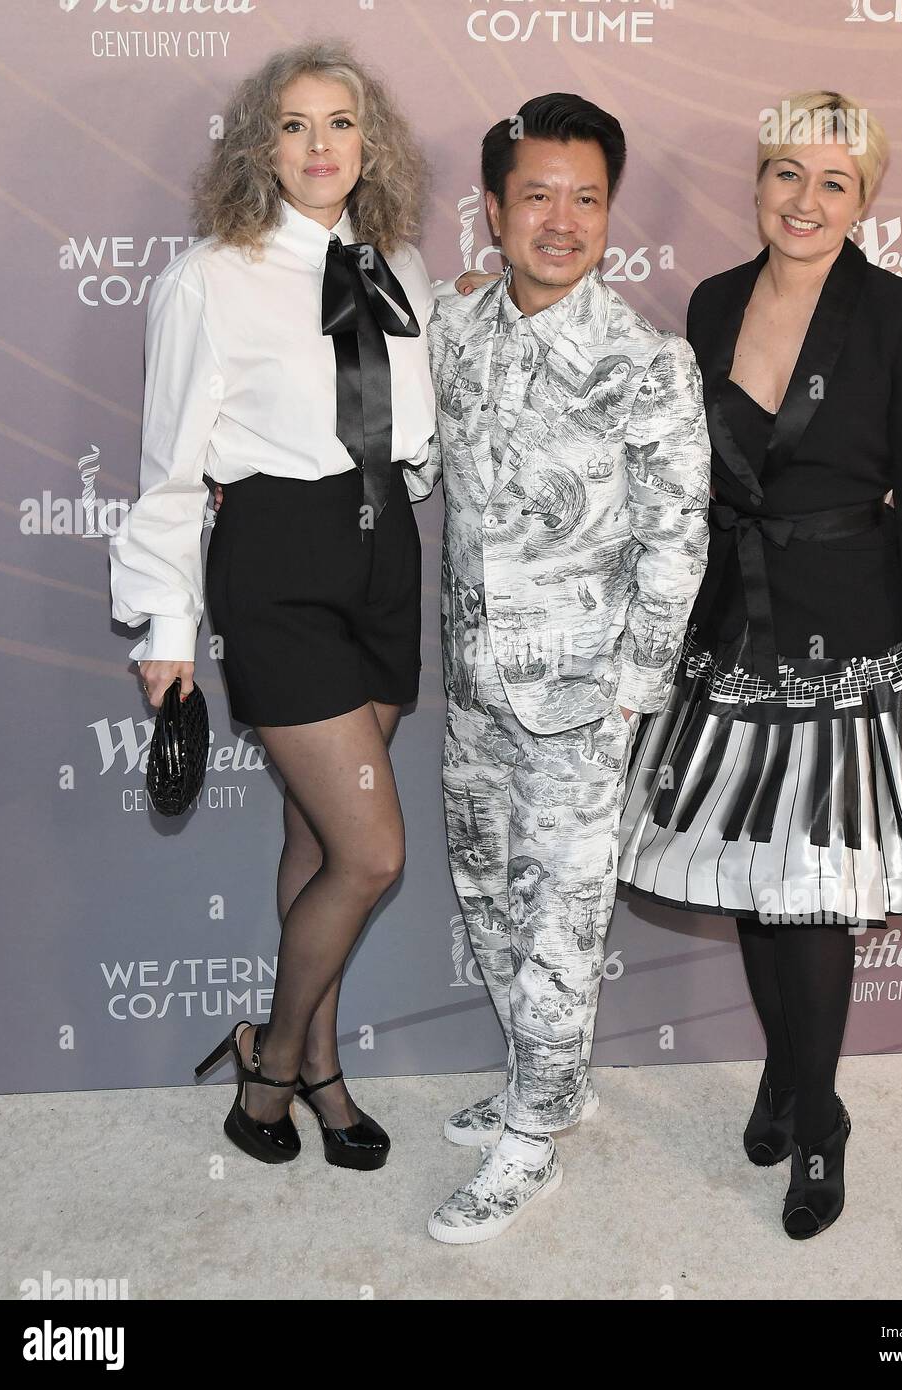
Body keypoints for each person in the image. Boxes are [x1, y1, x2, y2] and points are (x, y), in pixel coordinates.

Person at [618, 91, 902, 1239]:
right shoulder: (705, 304)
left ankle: (822, 1115)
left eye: (832, 182)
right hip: (729, 628)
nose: (804, 200)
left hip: (847, 632)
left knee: (811, 899)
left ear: (864, 200)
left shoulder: (899, 315)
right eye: (784, 173)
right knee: (753, 870)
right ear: (757, 184)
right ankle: (786, 1075)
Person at [111, 40, 472, 1170]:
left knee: (315, 833)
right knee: (370, 855)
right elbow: (169, 465)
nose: (320, 146)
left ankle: (317, 1068)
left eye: (341, 124)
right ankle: (270, 1057)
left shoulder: (399, 265)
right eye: (294, 125)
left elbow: (410, 430)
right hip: (279, 561)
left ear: (372, 145)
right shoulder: (207, 276)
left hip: (383, 560)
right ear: (258, 146)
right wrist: (167, 628)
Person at [411, 93, 711, 1244]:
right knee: (485, 892)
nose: (561, 220)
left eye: (585, 198)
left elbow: (676, 542)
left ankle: (531, 1133)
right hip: (475, 686)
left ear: (607, 214)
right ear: (490, 208)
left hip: (583, 701)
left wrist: (628, 695)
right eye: (535, 194)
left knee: (559, 922)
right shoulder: (453, 323)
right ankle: (550, 1083)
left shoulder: (645, 361)